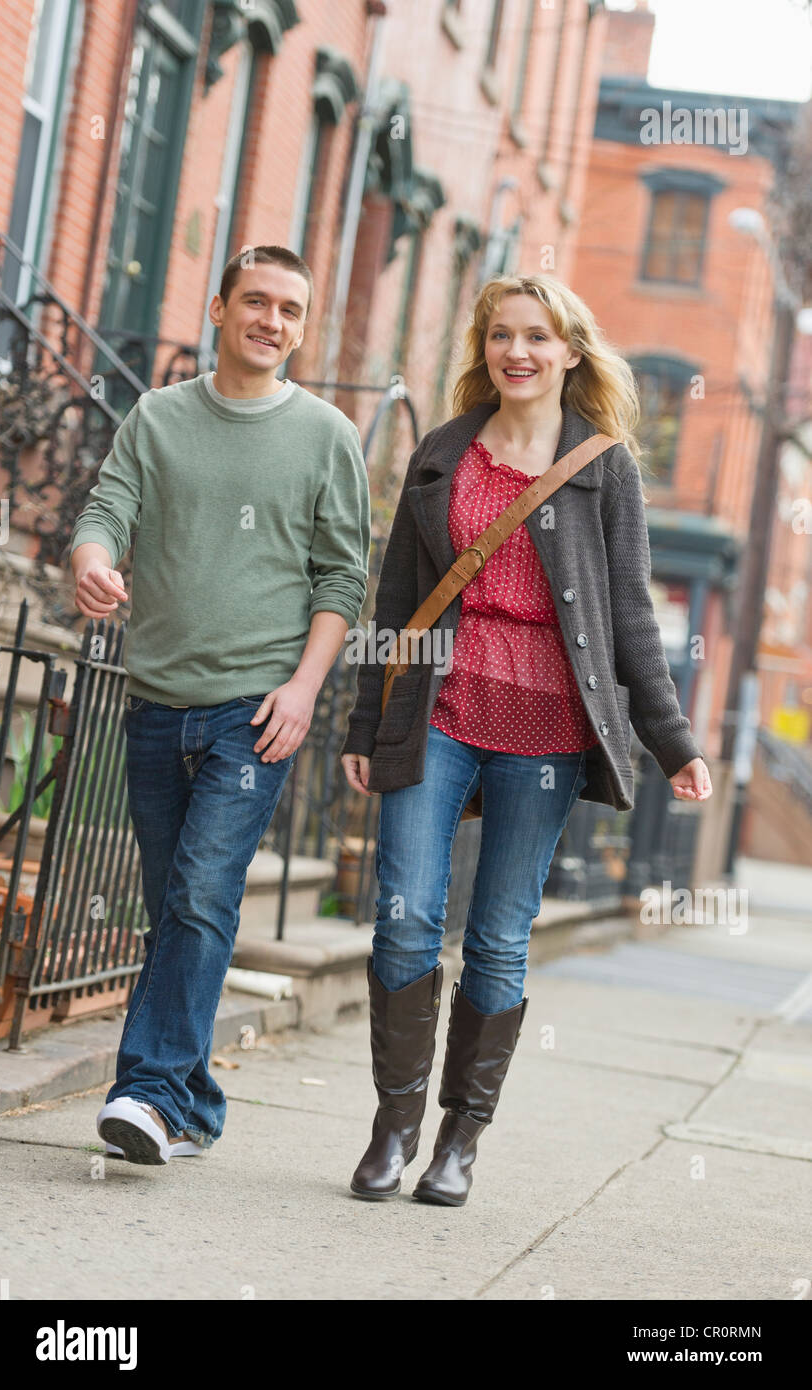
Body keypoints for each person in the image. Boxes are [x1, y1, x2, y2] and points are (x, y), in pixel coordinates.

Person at [340, 272, 712, 1207]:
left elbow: (630, 616)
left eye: (539, 338)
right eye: (504, 335)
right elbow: (396, 600)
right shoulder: (442, 452)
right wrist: (361, 718)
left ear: (571, 353)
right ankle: (393, 1126)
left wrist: (671, 740)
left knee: (500, 937)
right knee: (408, 915)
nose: (519, 352)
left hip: (547, 730)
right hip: (440, 710)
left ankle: (460, 1142)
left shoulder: (605, 467)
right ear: (486, 348)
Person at [70, 246, 370, 1165]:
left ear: (302, 327)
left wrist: (306, 686)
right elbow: (107, 509)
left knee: (203, 892)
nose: (271, 322)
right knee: (175, 907)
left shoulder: (326, 436)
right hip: (158, 699)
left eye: (289, 309)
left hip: (257, 708)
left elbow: (342, 576)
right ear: (217, 307)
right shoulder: (159, 417)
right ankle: (194, 1102)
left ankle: (147, 1093)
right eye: (255, 302)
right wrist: (92, 561)